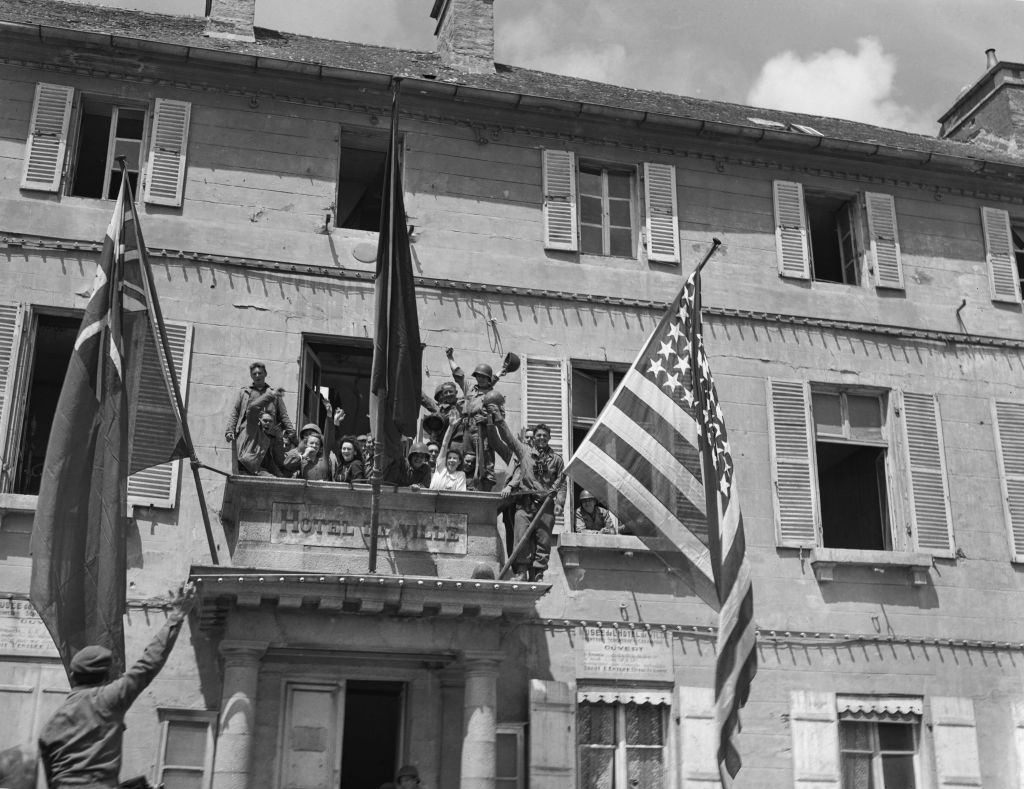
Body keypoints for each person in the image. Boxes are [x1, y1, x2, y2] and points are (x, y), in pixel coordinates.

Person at [38, 584, 196, 788]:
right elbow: (149, 662)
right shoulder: (109, 699)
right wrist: (177, 614)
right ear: (106, 678)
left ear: (72, 676)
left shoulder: (48, 730)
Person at [500, 422, 565, 581]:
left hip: (546, 505)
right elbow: (507, 438)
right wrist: (498, 419)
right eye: (538, 435)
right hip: (525, 503)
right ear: (534, 438)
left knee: (543, 540)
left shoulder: (557, 460)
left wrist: (559, 503)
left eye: (544, 435)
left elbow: (562, 483)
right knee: (521, 537)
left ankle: (538, 574)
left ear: (549, 437)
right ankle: (521, 571)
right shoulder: (524, 452)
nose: (541, 438)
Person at [445, 348, 500, 491]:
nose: (480, 378)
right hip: (467, 428)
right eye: (478, 375)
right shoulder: (470, 389)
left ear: (488, 379)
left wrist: (488, 419)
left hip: (482, 429)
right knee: (466, 459)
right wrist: (450, 357)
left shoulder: (493, 394)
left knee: (485, 458)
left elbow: (500, 417)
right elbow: (458, 375)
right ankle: (467, 485)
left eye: (483, 376)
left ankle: (486, 487)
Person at [224, 362, 295, 470]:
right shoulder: (245, 392)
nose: (257, 375)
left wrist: (291, 432)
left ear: (265, 374)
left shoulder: (273, 394)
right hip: (248, 437)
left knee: (269, 466)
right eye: (254, 373)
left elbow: (283, 415)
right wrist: (230, 430)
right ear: (251, 376)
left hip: (268, 436)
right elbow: (235, 412)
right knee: (247, 465)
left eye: (260, 373)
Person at [429, 411, 467, 491]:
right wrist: (451, 426)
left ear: (459, 462)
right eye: (449, 458)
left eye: (455, 458)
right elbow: (444, 444)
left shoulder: (460, 475)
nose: (451, 460)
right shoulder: (441, 468)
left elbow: (460, 495)